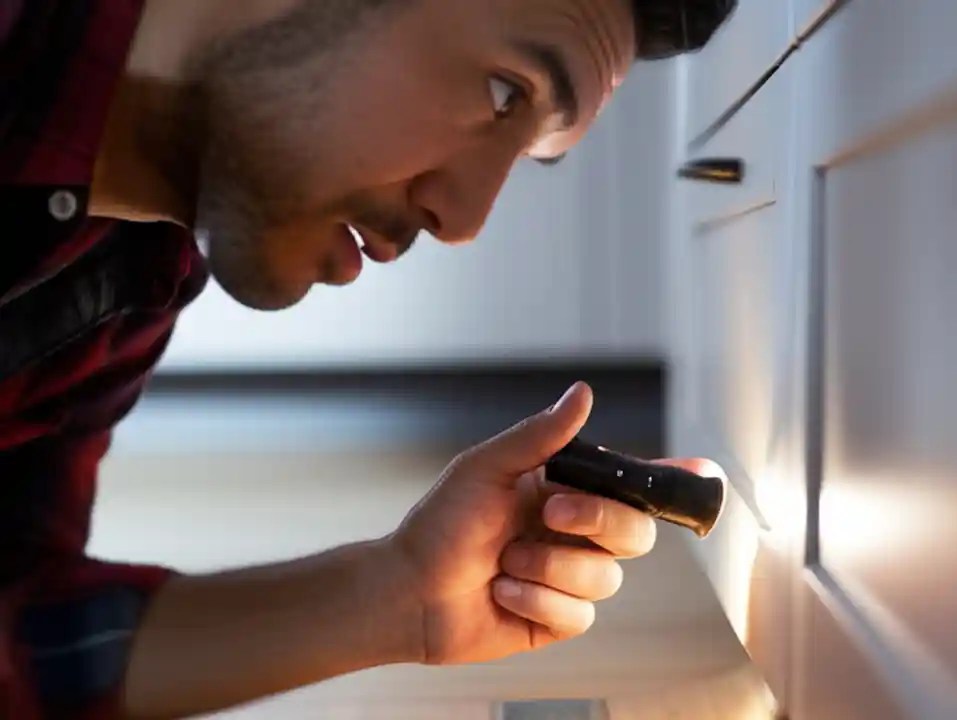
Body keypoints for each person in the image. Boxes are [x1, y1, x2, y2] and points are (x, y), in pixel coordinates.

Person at [0, 0, 735, 717]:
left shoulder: (127, 283)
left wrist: (394, 596)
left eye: (526, 153)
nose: (465, 218)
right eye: (502, 91)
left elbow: (25, 630)